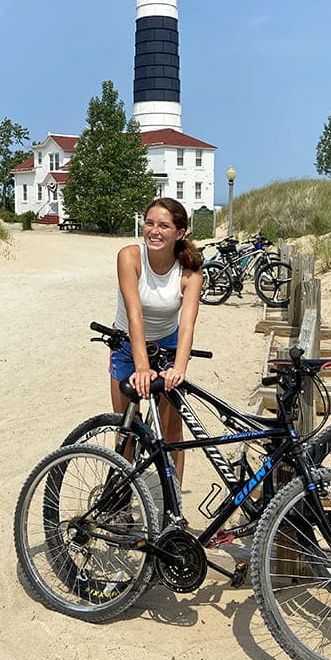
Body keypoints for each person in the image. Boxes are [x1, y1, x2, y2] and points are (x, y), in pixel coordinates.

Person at [109, 197, 203, 482]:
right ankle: (119, 507)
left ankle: (172, 507)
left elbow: (187, 325)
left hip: (168, 346)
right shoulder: (129, 256)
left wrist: (179, 368)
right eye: (149, 223)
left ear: (180, 232)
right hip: (127, 345)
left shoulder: (190, 272)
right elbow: (134, 314)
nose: (154, 231)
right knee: (126, 429)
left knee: (172, 430)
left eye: (164, 225)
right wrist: (141, 367)